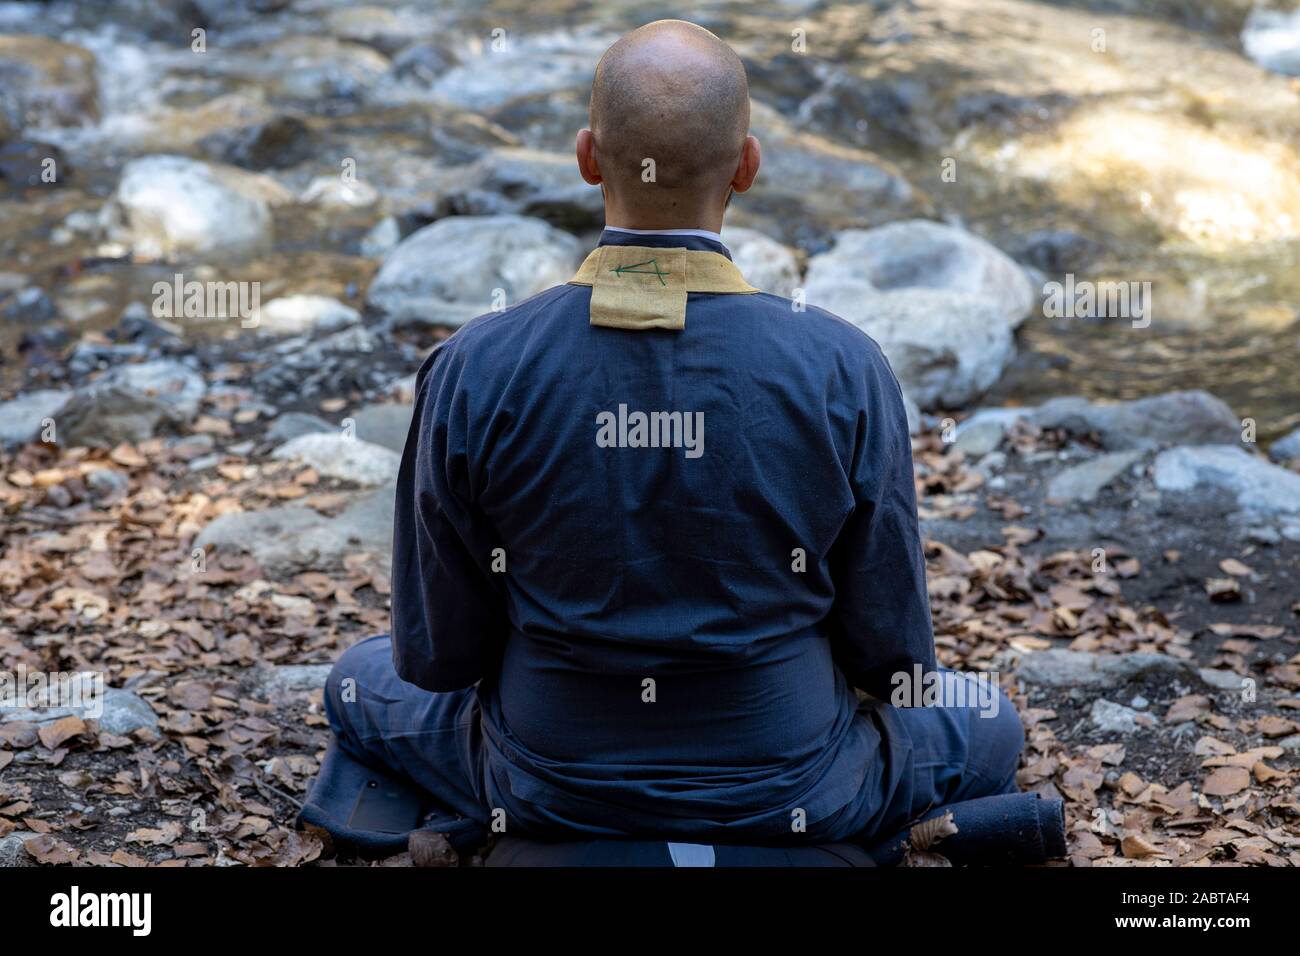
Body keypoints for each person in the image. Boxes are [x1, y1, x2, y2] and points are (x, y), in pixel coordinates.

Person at [324, 19, 1024, 848]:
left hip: (548, 773)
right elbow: (892, 663)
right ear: (749, 166)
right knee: (992, 722)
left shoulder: (478, 362)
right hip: (791, 773)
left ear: (586, 158)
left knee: (355, 681)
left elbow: (438, 659)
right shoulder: (842, 363)